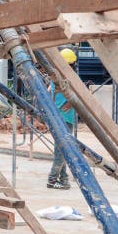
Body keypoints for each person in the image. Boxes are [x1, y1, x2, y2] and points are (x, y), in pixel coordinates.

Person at [47, 48, 78, 190]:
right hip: (65, 119)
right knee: (62, 150)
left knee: (61, 149)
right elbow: (79, 98)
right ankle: (52, 180)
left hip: (56, 117)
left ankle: (64, 179)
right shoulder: (70, 80)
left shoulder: (54, 78)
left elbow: (48, 94)